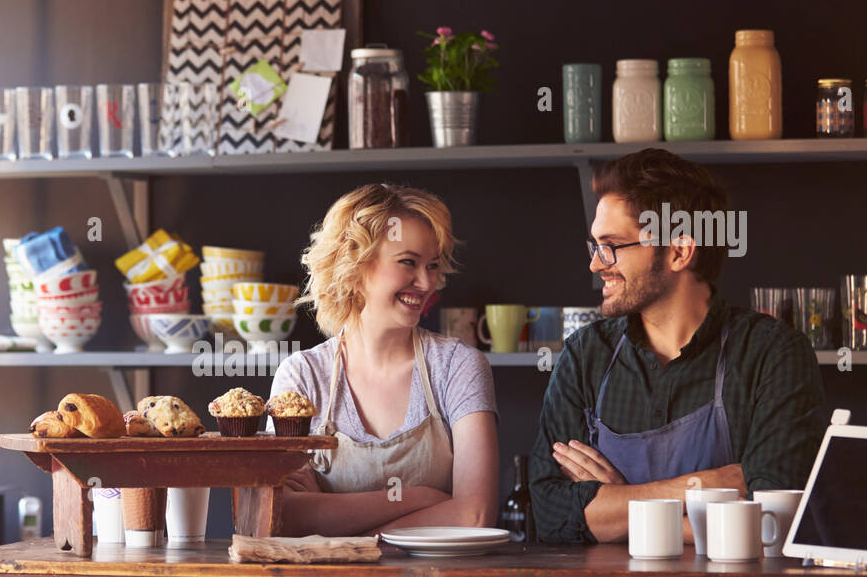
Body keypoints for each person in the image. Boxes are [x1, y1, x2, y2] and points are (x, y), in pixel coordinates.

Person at [530, 148, 826, 543]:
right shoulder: (585, 355)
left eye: (612, 245)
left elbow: (770, 520)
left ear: (678, 251)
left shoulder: (772, 355)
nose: (596, 264)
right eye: (596, 246)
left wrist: (616, 506)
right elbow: (550, 515)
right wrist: (703, 486)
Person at [270, 183, 499, 536]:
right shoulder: (303, 376)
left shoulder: (457, 366)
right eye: (408, 262)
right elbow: (282, 513)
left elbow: (474, 516)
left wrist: (352, 538)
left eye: (433, 266)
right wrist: (418, 498)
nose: (426, 283)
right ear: (355, 266)